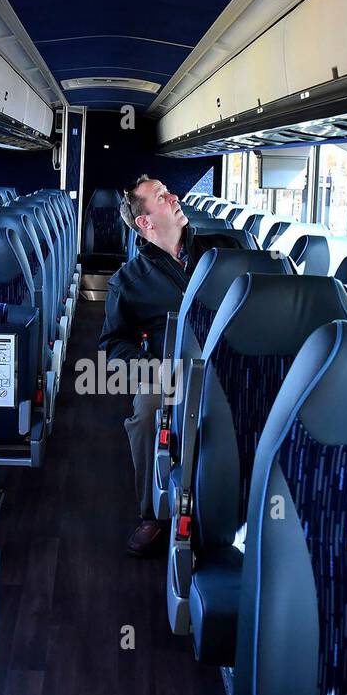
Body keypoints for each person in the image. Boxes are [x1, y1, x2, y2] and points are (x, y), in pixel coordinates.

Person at [98, 175, 247, 557]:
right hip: (172, 375)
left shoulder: (228, 249)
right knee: (146, 410)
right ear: (145, 222)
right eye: (162, 196)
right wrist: (154, 368)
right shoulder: (128, 282)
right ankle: (153, 514)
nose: (175, 197)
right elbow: (113, 348)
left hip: (236, 364)